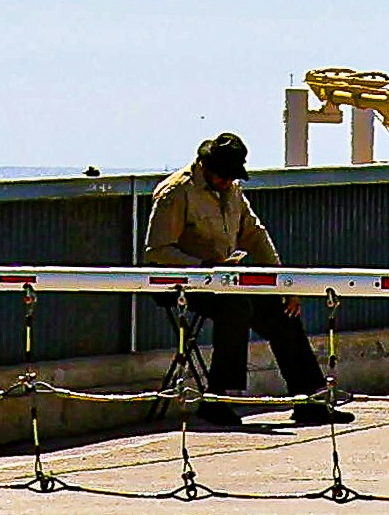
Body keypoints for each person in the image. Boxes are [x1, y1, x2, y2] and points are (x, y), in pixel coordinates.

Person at [145, 133, 346, 424]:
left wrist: (283, 283)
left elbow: (255, 235)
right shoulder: (176, 192)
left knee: (280, 312)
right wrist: (203, 265)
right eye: (222, 177)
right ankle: (219, 396)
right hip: (181, 282)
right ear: (205, 167)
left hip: (225, 280)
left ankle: (309, 398)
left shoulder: (233, 191)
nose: (227, 182)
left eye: (231, 177)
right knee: (236, 307)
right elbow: (157, 250)